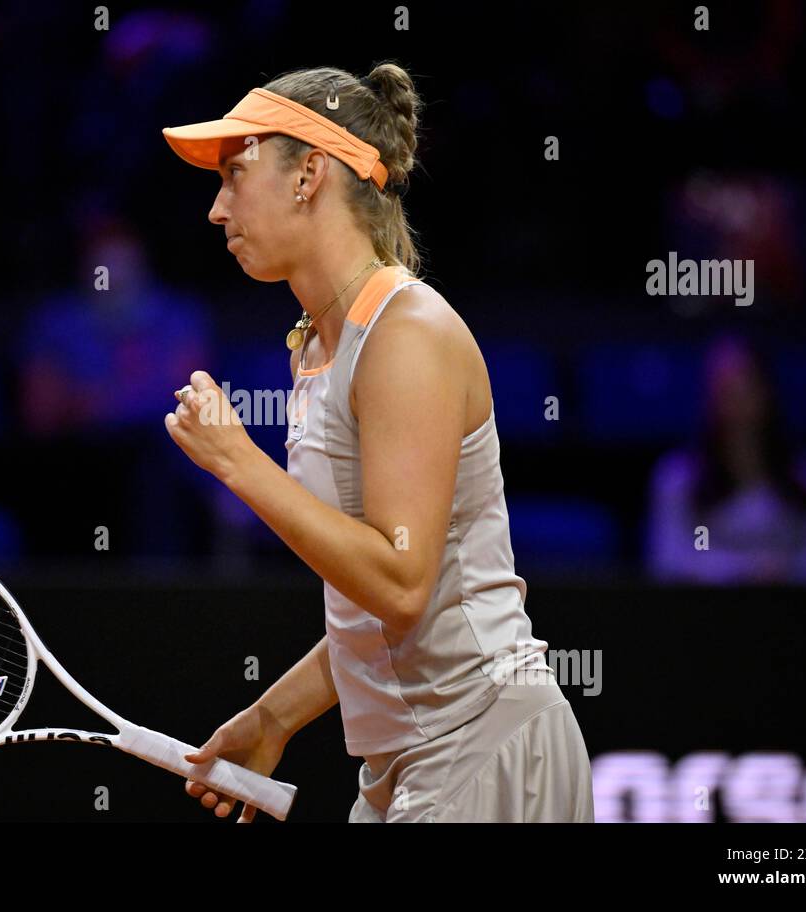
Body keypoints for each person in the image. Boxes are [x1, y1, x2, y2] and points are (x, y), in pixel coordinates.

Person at [158, 63, 594, 822]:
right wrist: (273, 718)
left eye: (234, 175)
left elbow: (400, 584)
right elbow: (381, 619)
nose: (217, 209)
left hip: (487, 743)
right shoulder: (321, 344)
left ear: (309, 175)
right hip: (413, 757)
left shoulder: (407, 333)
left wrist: (237, 462)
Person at [646, 332, 806, 583]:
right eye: (726, 389)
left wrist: (783, 570)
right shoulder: (677, 479)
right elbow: (667, 563)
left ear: (768, 392)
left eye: (747, 387)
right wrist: (745, 568)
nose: (737, 402)